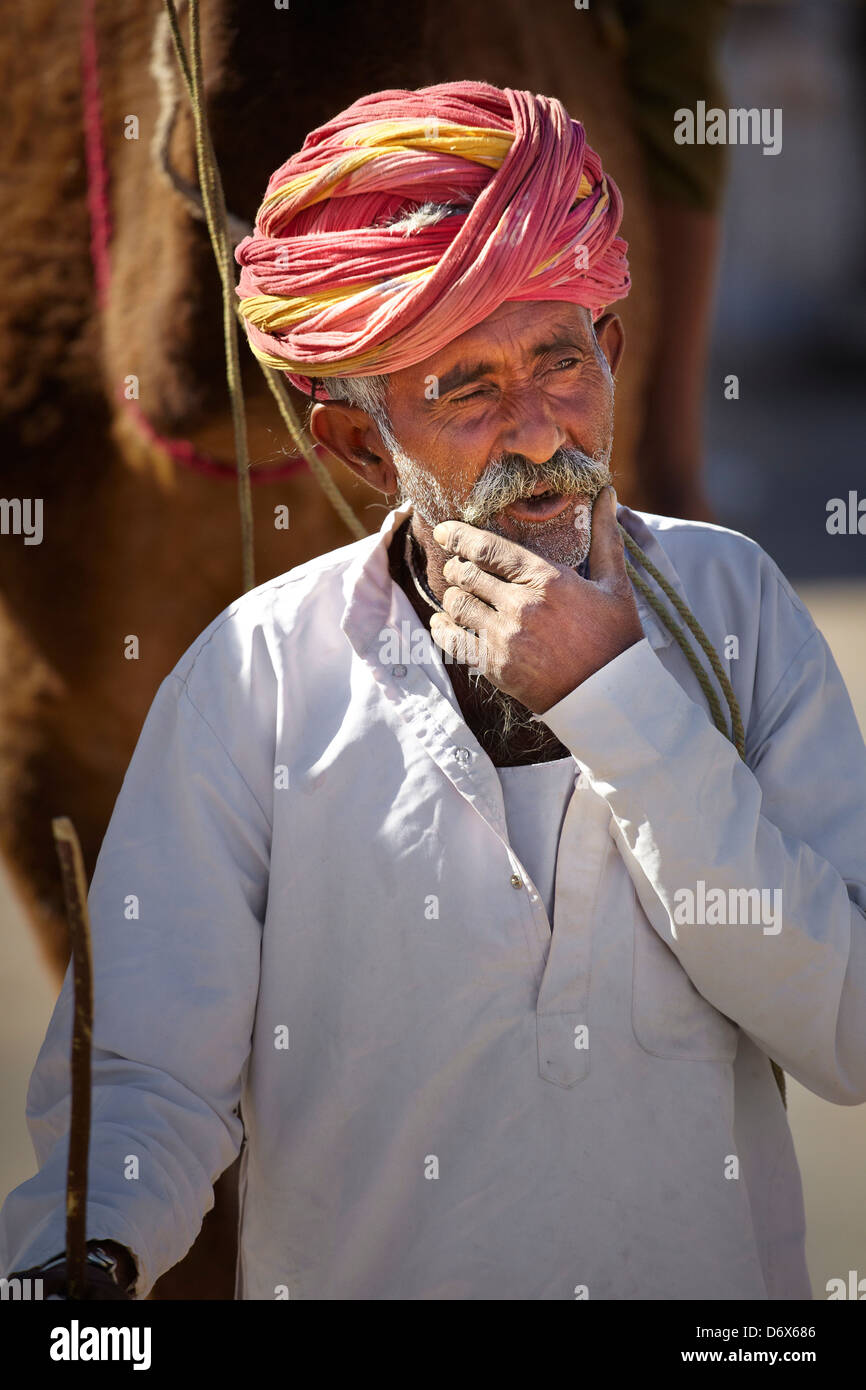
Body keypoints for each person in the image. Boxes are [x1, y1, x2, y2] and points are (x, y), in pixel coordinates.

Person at [2, 81, 865, 1301]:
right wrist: (84, 1256)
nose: (534, 432)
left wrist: (614, 697)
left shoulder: (735, 609)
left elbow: (845, 1028)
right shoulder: (258, 677)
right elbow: (146, 1076)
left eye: (561, 361)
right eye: (464, 387)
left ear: (610, 354)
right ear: (361, 445)